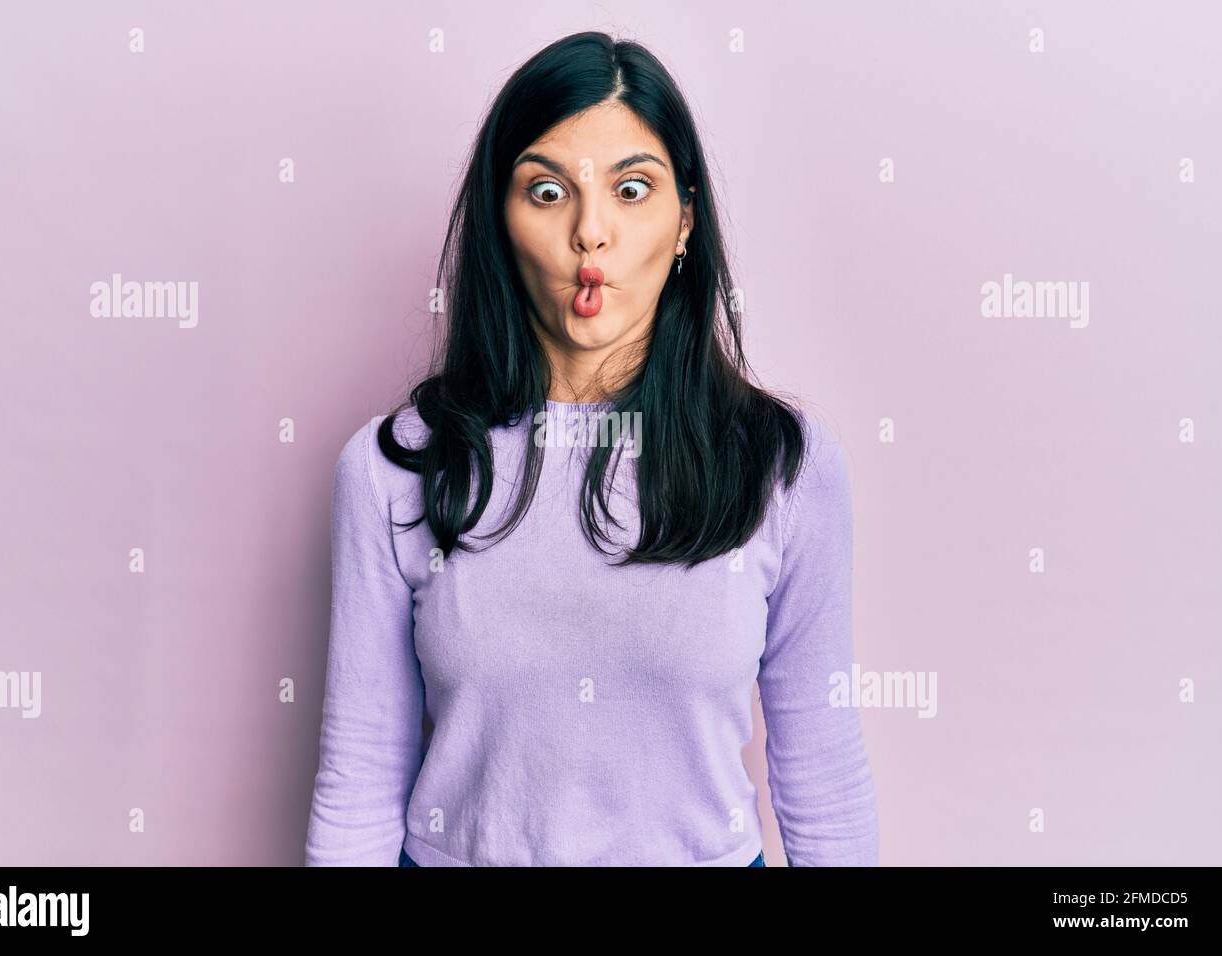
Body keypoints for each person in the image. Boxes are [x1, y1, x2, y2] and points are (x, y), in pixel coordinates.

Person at [304, 30, 878, 867]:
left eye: (632, 189)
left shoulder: (785, 467)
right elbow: (360, 772)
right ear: (501, 225)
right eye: (546, 192)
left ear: (685, 219)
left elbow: (822, 771)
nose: (590, 234)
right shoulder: (394, 469)